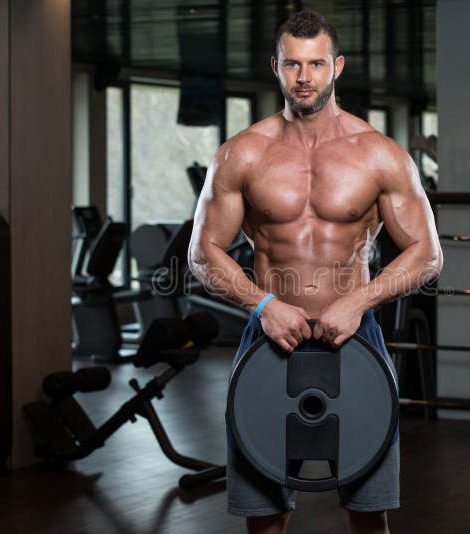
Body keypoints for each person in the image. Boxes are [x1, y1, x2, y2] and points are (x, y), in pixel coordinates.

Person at [188, 10, 443, 534]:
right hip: (268, 338)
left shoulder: (379, 154)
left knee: (369, 512)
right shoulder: (242, 153)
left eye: (317, 64)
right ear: (276, 67)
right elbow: (201, 252)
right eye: (293, 64)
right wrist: (264, 305)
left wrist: (358, 302)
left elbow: (427, 253)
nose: (304, 76)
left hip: (355, 337)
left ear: (337, 66)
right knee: (264, 514)